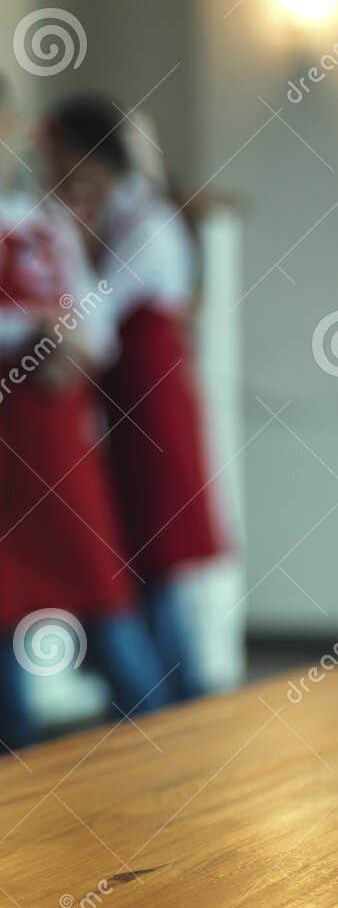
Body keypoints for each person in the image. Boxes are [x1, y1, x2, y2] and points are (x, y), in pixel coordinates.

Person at [0, 77, 171, 750]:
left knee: (104, 598)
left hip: (59, 445)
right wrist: (29, 332)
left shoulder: (43, 220)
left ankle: (165, 759)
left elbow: (94, 326)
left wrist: (64, 342)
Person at [39, 94, 224, 703]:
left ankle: (179, 712)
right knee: (145, 570)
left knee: (157, 567)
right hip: (130, 415)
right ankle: (171, 713)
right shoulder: (123, 218)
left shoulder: (146, 224)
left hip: (154, 417)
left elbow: (95, 316)